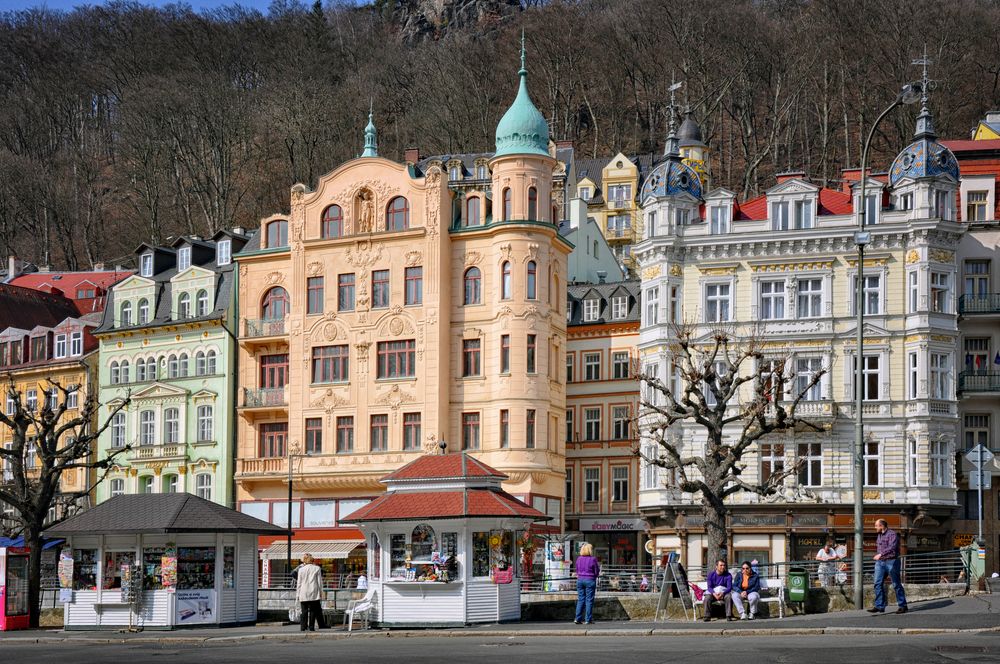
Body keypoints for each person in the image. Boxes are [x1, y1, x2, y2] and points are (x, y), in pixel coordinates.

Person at [869, 519, 907, 614]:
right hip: (880, 563)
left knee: (896, 584)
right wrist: (880, 556)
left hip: (892, 561)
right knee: (877, 583)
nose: (875, 527)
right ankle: (879, 606)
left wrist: (880, 554)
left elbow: (892, 547)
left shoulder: (892, 534)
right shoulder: (879, 535)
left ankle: (903, 605)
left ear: (881, 526)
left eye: (876, 525)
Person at [295, 553, 326, 631]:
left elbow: (299, 583)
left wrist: (297, 594)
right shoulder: (317, 568)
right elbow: (319, 582)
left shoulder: (301, 570)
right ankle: (311, 627)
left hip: (303, 591)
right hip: (313, 591)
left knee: (304, 611)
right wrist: (321, 592)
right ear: (312, 561)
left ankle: (303, 627)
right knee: (313, 610)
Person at [573, 543, 600, 625]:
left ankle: (578, 618)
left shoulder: (579, 559)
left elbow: (577, 570)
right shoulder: (593, 559)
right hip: (590, 580)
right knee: (589, 600)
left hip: (580, 580)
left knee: (581, 599)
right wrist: (595, 576)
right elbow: (596, 571)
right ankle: (588, 619)